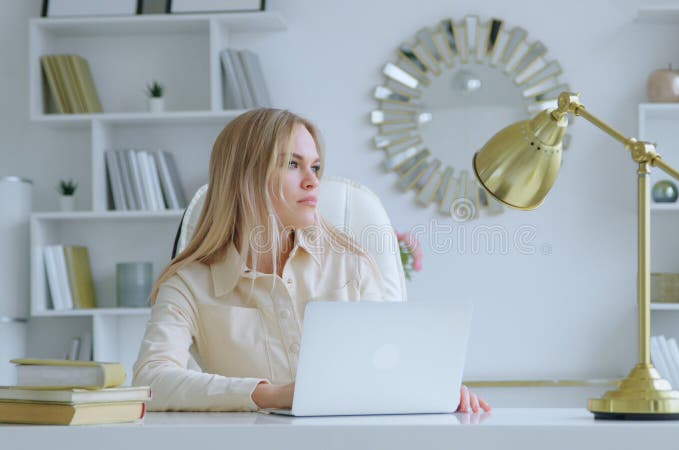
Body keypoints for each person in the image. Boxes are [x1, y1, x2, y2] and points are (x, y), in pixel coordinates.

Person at [132, 108, 489, 414]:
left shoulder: (352, 266)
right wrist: (270, 395)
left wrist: (431, 389)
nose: (312, 182)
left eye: (316, 167)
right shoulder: (188, 284)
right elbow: (151, 380)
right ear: (245, 177)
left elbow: (384, 370)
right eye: (292, 164)